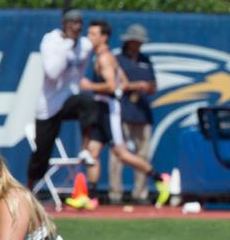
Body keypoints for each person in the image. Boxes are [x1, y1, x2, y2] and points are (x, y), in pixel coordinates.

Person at [72, 19, 170, 210]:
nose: (88, 37)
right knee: (93, 153)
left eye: (93, 34)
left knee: (122, 154)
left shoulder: (105, 58)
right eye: (89, 33)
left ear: (103, 37)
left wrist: (87, 86)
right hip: (100, 108)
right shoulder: (108, 57)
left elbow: (111, 86)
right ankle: (90, 197)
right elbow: (122, 81)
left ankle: (161, 178)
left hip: (109, 110)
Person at [27, 8, 96, 195]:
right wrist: (66, 47)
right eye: (73, 23)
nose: (77, 27)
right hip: (49, 105)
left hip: (68, 99)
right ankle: (29, 188)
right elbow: (52, 73)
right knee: (42, 152)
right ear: (64, 25)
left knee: (88, 103)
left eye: (80, 23)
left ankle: (85, 149)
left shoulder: (85, 46)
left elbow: (78, 73)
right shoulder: (51, 41)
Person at [111, 24, 159, 203]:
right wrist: (136, 85)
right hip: (121, 113)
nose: (138, 45)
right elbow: (115, 85)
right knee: (118, 154)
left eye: (141, 42)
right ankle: (115, 194)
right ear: (129, 41)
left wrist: (148, 88)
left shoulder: (146, 60)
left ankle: (141, 193)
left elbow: (154, 85)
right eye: (136, 41)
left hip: (143, 114)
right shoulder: (117, 60)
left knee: (143, 155)